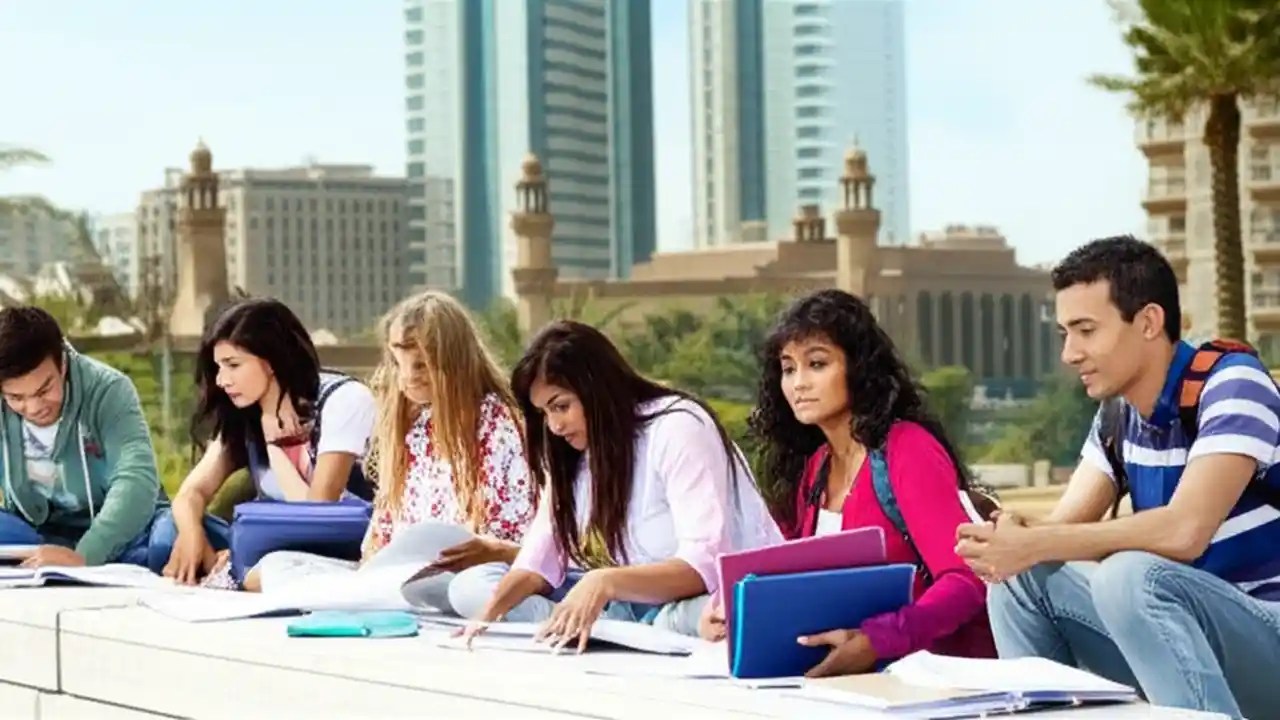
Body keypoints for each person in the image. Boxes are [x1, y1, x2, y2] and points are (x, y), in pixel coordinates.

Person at [956, 236, 1280, 719]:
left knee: (1130, 576)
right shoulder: (1117, 417)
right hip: (1182, 641)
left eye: (1086, 330)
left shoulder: (1233, 384)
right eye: (1065, 333)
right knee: (1019, 579)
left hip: (1266, 637)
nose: (1069, 353)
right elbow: (1064, 531)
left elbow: (1185, 531)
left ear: (1149, 322)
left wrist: (1041, 542)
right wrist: (1017, 536)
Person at [695, 289, 995, 676]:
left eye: (817, 364)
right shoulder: (815, 467)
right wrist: (724, 604)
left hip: (929, 675)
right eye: (788, 368)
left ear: (858, 367)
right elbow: (772, 568)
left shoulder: (907, 448)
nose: (799, 383)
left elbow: (966, 579)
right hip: (838, 675)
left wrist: (878, 641)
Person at [451, 320, 781, 648]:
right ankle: (609, 625)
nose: (554, 426)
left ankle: (623, 625)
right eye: (544, 413)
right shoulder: (574, 453)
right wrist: (485, 619)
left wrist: (605, 582)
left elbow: (705, 564)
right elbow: (538, 560)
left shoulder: (678, 428)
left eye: (561, 406)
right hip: (628, 601)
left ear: (596, 390)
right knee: (471, 588)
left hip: (708, 593)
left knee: (721, 614)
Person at [247, 291, 537, 604]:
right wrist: (374, 566)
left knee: (469, 592)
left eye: (421, 366)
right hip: (394, 575)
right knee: (269, 569)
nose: (407, 379)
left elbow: (508, 533)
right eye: (399, 365)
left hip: (464, 574)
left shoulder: (497, 425)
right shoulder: (415, 430)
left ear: (453, 361)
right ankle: (360, 596)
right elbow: (384, 527)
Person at [157, 298, 376, 586]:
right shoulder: (245, 414)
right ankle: (228, 569)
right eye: (218, 367)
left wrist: (275, 447)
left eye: (233, 365)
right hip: (268, 540)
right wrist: (193, 538)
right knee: (167, 533)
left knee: (256, 553)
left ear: (271, 361)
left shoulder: (343, 399)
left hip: (336, 543)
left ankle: (235, 571)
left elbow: (318, 512)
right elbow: (191, 493)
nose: (221, 380)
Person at [0, 306, 167, 570]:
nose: (34, 408)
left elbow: (135, 479)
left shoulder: (108, 389)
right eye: (16, 398)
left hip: (122, 535)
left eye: (45, 390)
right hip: (39, 536)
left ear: (63, 363)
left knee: (170, 541)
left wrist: (84, 556)